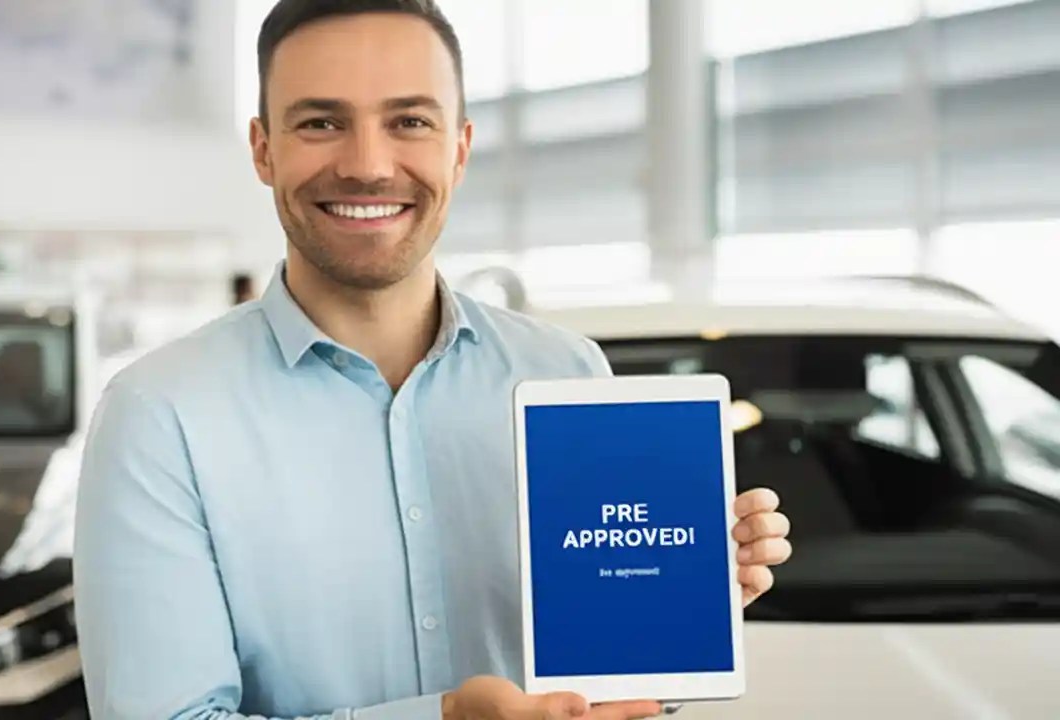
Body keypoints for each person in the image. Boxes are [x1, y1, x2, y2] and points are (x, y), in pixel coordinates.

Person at [72, 2, 793, 719]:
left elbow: (609, 689)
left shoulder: (564, 371)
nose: (366, 165)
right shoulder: (160, 416)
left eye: (409, 121)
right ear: (263, 149)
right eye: (321, 122)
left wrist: (674, 605)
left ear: (460, 145)